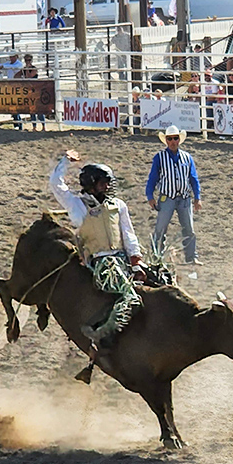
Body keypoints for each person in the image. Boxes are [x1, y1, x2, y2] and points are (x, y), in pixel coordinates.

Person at [49, 149, 145, 355]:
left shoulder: (118, 206)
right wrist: (66, 162)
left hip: (123, 261)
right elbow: (56, 185)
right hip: (101, 263)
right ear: (91, 183)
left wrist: (136, 262)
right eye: (103, 182)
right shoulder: (76, 205)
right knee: (131, 298)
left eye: (108, 182)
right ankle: (102, 334)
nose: (107, 186)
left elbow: (128, 235)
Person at [146, 125, 202, 266]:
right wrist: (150, 196)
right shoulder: (159, 158)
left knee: (188, 228)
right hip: (167, 197)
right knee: (160, 229)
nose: (173, 141)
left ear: (179, 140)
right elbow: (153, 178)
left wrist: (197, 197)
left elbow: (193, 178)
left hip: (184, 198)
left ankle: (191, 257)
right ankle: (156, 257)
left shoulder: (187, 157)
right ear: (166, 140)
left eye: (175, 138)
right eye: (170, 139)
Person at [15, 53, 45, 131]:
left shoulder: (34, 69)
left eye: (29, 60)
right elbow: (16, 76)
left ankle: (43, 126)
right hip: (28, 91)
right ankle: (34, 126)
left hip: (35, 90)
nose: (27, 61)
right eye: (26, 60)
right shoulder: (24, 69)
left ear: (31, 60)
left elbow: (29, 77)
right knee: (31, 110)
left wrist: (27, 69)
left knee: (39, 109)